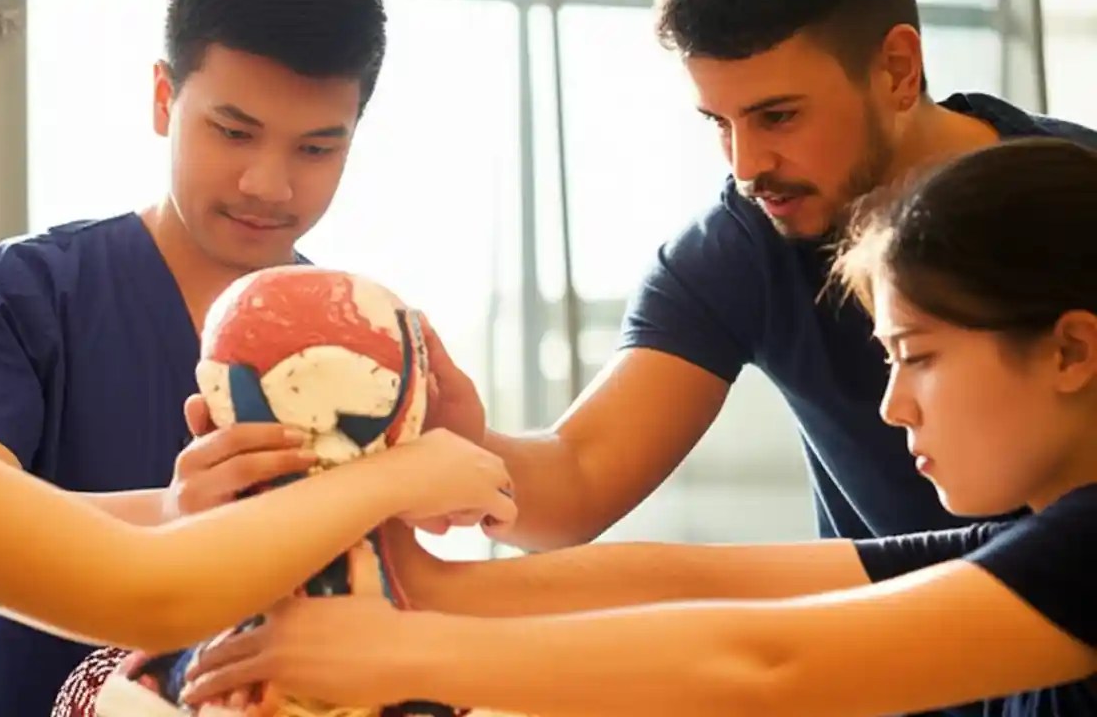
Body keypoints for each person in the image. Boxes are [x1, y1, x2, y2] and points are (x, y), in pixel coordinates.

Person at [176, 136, 1097, 717]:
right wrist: (378, 559)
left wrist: (408, 648)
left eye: (919, 356)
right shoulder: (1031, 543)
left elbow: (767, 663)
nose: (893, 405)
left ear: (1069, 352)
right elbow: (698, 582)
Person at [0, 0, 515, 717]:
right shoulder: (15, 299)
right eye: (232, 132)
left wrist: (451, 482)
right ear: (163, 98)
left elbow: (387, 588)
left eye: (315, 149)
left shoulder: (364, 342)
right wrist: (185, 511)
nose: (267, 183)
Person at [406, 1, 1097, 714]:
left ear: (896, 68)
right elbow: (680, 568)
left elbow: (762, 661)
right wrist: (437, 524)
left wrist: (404, 650)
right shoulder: (740, 246)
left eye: (778, 116)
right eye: (717, 124)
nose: (746, 165)